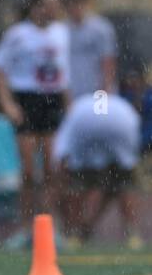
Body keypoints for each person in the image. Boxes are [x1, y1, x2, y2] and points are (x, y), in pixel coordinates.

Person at [0, 0, 69, 247]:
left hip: (52, 100)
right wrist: (7, 103)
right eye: (49, 4)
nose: (55, 8)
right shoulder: (18, 34)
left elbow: (64, 71)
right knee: (28, 171)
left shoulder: (61, 33)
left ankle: (48, 227)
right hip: (28, 100)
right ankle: (25, 228)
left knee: (52, 168)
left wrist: (69, 105)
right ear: (36, 7)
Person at [52, 92, 142, 248]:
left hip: (88, 126)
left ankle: (74, 233)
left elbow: (61, 162)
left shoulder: (74, 113)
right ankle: (132, 234)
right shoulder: (118, 105)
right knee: (123, 184)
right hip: (123, 123)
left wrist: (60, 190)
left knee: (77, 185)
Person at [62, 0, 116, 97]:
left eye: (77, 3)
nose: (74, 7)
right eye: (70, 3)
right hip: (72, 92)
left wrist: (105, 90)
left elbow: (108, 61)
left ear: (85, 3)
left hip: (97, 90)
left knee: (99, 115)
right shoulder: (62, 29)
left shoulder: (101, 28)